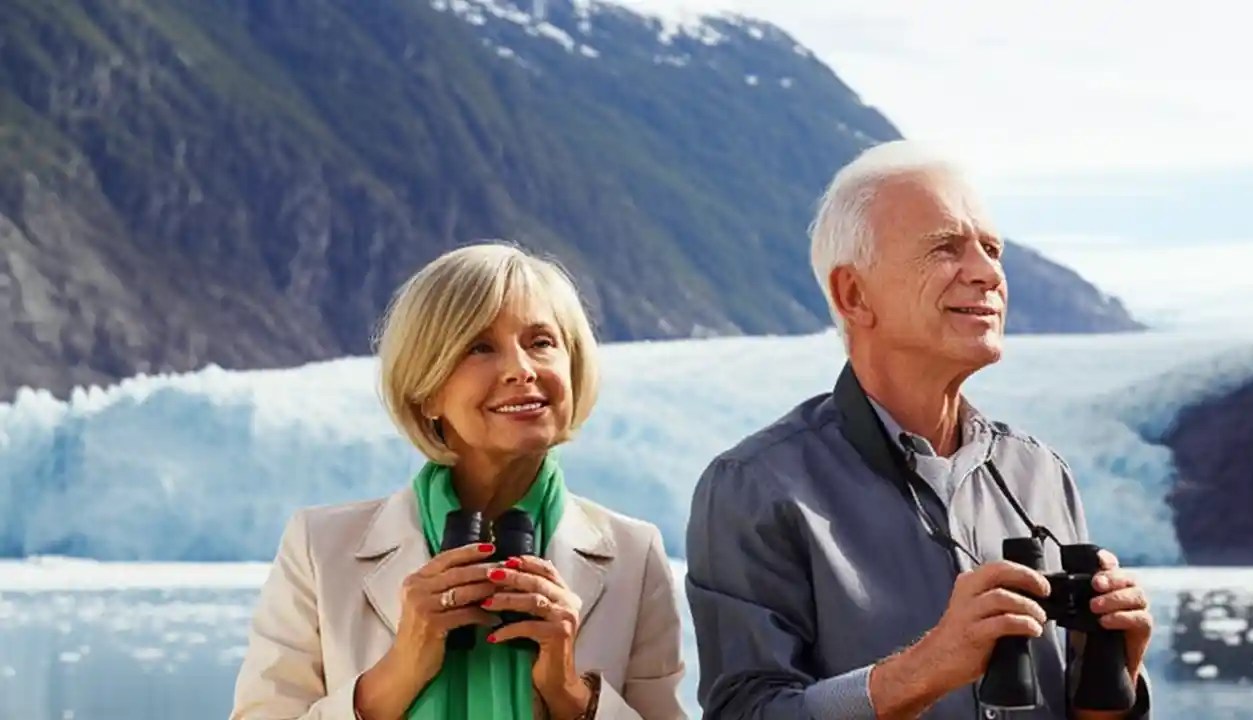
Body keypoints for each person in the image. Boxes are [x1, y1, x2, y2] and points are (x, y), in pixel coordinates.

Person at [685, 141, 1154, 719]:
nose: (987, 274)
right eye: (945, 248)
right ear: (852, 294)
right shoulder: (756, 488)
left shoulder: (1041, 475)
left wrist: (1114, 680)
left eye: (991, 249)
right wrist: (927, 668)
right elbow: (744, 712)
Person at [231, 243, 686, 720]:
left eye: (541, 342)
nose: (521, 369)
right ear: (426, 391)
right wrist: (400, 671)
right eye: (480, 347)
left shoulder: (635, 557)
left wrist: (572, 694)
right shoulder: (320, 550)